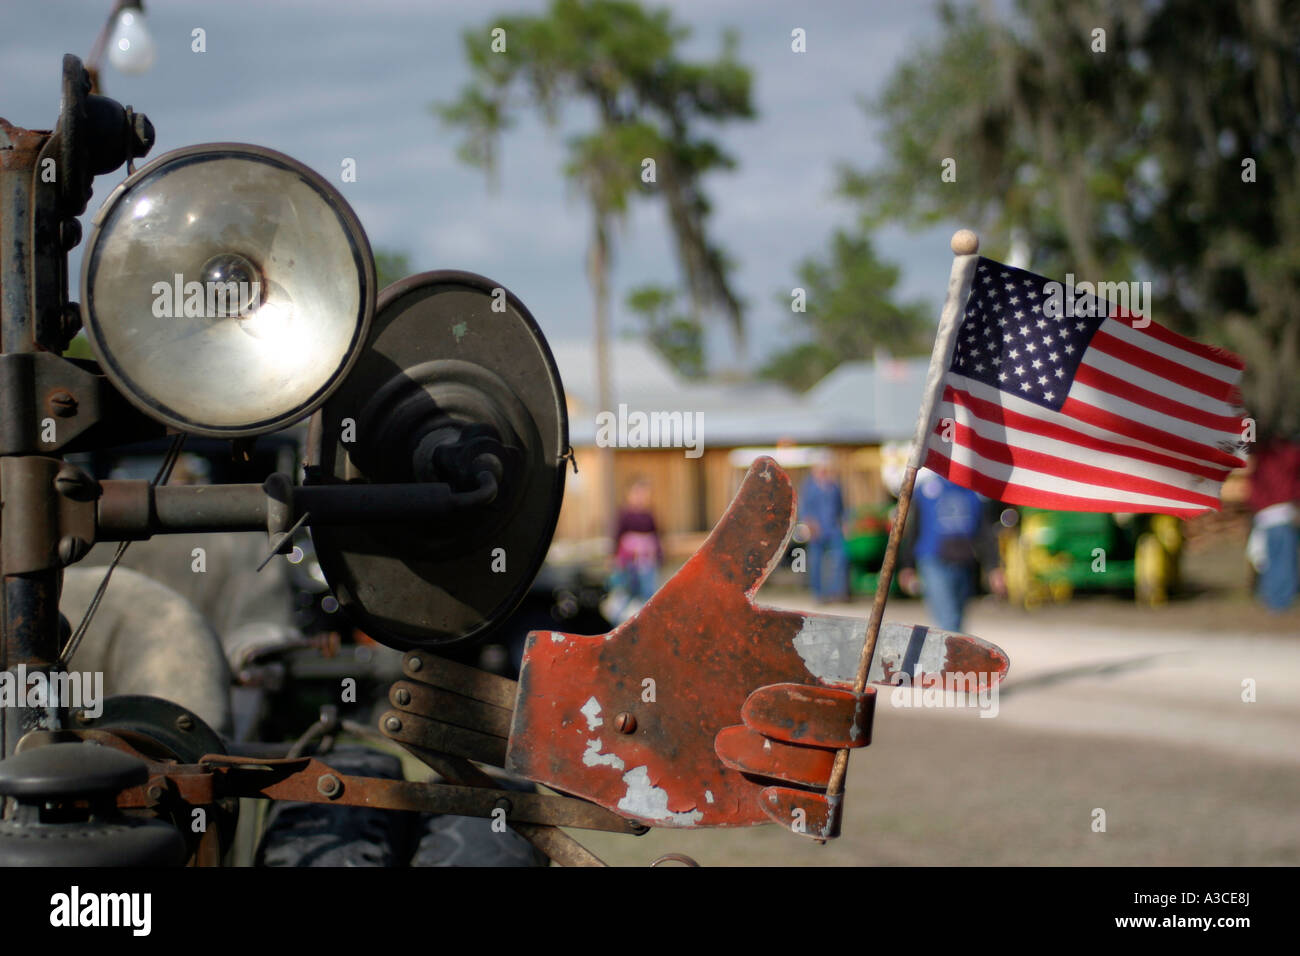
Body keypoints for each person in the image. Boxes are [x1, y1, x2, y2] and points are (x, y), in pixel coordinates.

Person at [899, 469, 1000, 633]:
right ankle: (952, 656)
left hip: (963, 561)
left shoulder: (974, 493)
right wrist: (907, 565)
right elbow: (913, 530)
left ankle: (950, 654)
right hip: (933, 560)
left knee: (958, 618)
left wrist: (993, 567)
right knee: (949, 619)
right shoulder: (926, 490)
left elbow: (984, 533)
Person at [1247, 435, 1300, 611]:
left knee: (1269, 560)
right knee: (1283, 560)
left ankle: (1272, 599)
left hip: (1267, 515)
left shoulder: (1262, 456)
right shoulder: (1289, 454)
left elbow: (1253, 489)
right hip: (1282, 514)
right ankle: (1281, 602)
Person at [608, 477, 663, 619]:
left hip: (646, 562)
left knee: (647, 591)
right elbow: (617, 536)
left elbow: (656, 537)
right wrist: (614, 557)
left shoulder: (649, 515)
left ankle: (646, 617)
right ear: (629, 495)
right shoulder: (625, 515)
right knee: (626, 591)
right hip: (629, 562)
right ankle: (618, 618)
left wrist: (659, 555)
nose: (640, 498)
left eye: (643, 494)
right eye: (636, 494)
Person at [799, 458, 849, 603]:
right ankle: (818, 593)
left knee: (840, 558)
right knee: (816, 561)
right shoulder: (809, 487)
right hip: (816, 529)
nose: (823, 472)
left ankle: (837, 592)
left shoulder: (834, 486)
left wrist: (844, 523)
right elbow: (804, 508)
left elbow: (841, 507)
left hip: (833, 527)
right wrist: (807, 524)